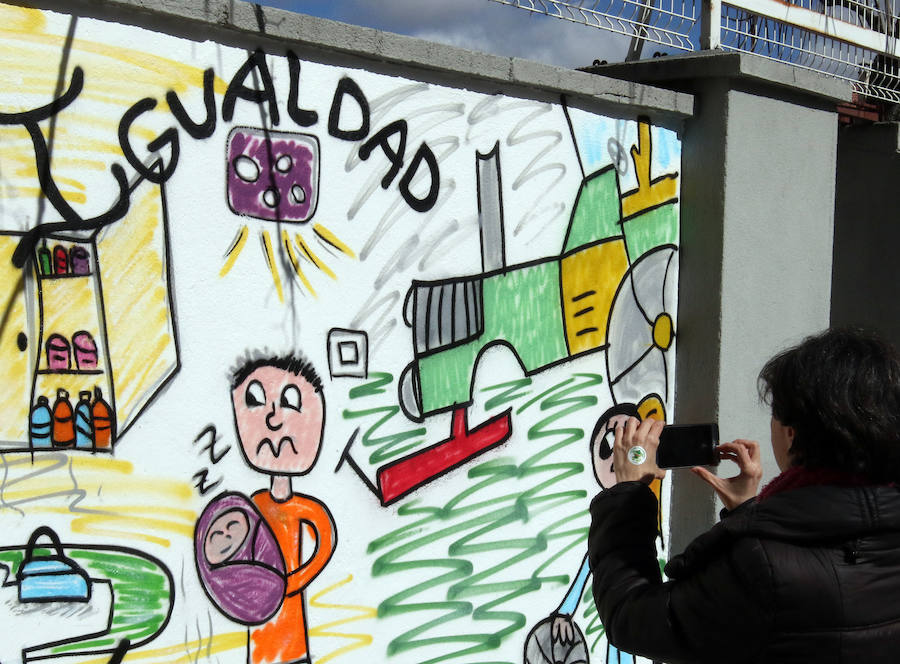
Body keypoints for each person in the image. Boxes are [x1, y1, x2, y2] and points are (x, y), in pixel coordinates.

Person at [587, 327, 900, 663]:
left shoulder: (763, 566)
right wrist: (750, 513)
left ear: (791, 434)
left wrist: (628, 495)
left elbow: (634, 621)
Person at [229, 353, 337, 664]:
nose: (273, 419)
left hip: (293, 639)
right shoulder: (255, 504)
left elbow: (324, 544)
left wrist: (289, 584)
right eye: (255, 399)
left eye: (289, 400)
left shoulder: (305, 508)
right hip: (259, 634)